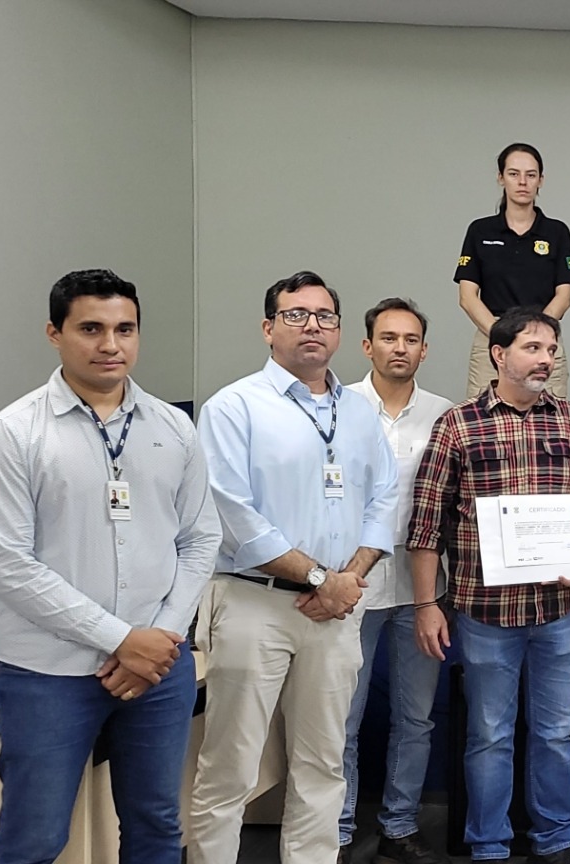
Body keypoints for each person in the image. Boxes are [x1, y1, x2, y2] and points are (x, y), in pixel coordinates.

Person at [0, 269, 221, 864]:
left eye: (125, 329)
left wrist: (159, 639)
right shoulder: (14, 434)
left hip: (158, 671)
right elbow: (7, 565)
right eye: (91, 328)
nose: (111, 344)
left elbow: (200, 535)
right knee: (34, 836)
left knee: (157, 825)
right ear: (54, 333)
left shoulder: (172, 426)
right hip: (46, 673)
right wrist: (121, 640)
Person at [188, 271, 399, 864]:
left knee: (323, 764)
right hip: (255, 603)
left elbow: (385, 499)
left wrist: (348, 578)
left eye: (325, 316)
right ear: (268, 328)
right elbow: (234, 513)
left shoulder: (359, 411)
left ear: (339, 330)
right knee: (231, 765)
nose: (313, 326)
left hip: (336, 611)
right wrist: (318, 579)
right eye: (296, 315)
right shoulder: (234, 407)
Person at [404, 306, 570, 863]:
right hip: (486, 615)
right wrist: (427, 604)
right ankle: (488, 844)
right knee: (489, 737)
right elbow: (426, 524)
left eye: (550, 350)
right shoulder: (459, 424)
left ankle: (556, 840)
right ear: (499, 354)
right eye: (533, 348)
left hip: (559, 611)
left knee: (554, 737)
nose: (545, 360)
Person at [338, 298, 454, 863]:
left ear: (424, 350)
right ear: (368, 346)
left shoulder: (445, 414)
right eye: (389, 338)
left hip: (420, 590)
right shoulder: (336, 408)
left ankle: (399, 825)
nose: (400, 348)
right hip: (348, 587)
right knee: (341, 714)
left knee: (415, 716)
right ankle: (333, 829)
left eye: (411, 339)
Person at [454, 142, 570, 398]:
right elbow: (467, 297)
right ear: (501, 178)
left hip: (544, 337)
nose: (522, 182)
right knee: (483, 424)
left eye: (531, 175)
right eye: (514, 174)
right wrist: (503, 338)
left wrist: (536, 338)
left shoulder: (557, 232)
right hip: (492, 337)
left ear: (541, 180)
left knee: (550, 421)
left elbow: (564, 296)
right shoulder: (480, 231)